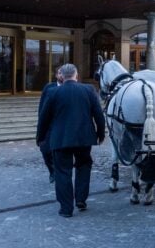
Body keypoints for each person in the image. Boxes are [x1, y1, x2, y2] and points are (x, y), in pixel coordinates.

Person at [36, 63, 105, 217]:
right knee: (83, 167)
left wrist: (40, 138)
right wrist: (101, 134)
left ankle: (66, 209)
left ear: (63, 76)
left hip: (60, 139)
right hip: (84, 138)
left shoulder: (53, 93)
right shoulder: (88, 90)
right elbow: (98, 115)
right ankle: (81, 199)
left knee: (62, 172)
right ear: (76, 75)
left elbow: (44, 118)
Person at [37, 68, 63, 184]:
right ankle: (52, 170)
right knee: (45, 150)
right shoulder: (49, 88)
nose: (61, 75)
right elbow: (42, 107)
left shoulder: (72, 88)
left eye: (63, 73)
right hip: (49, 124)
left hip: (63, 125)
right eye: (59, 73)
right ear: (56, 75)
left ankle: (59, 173)